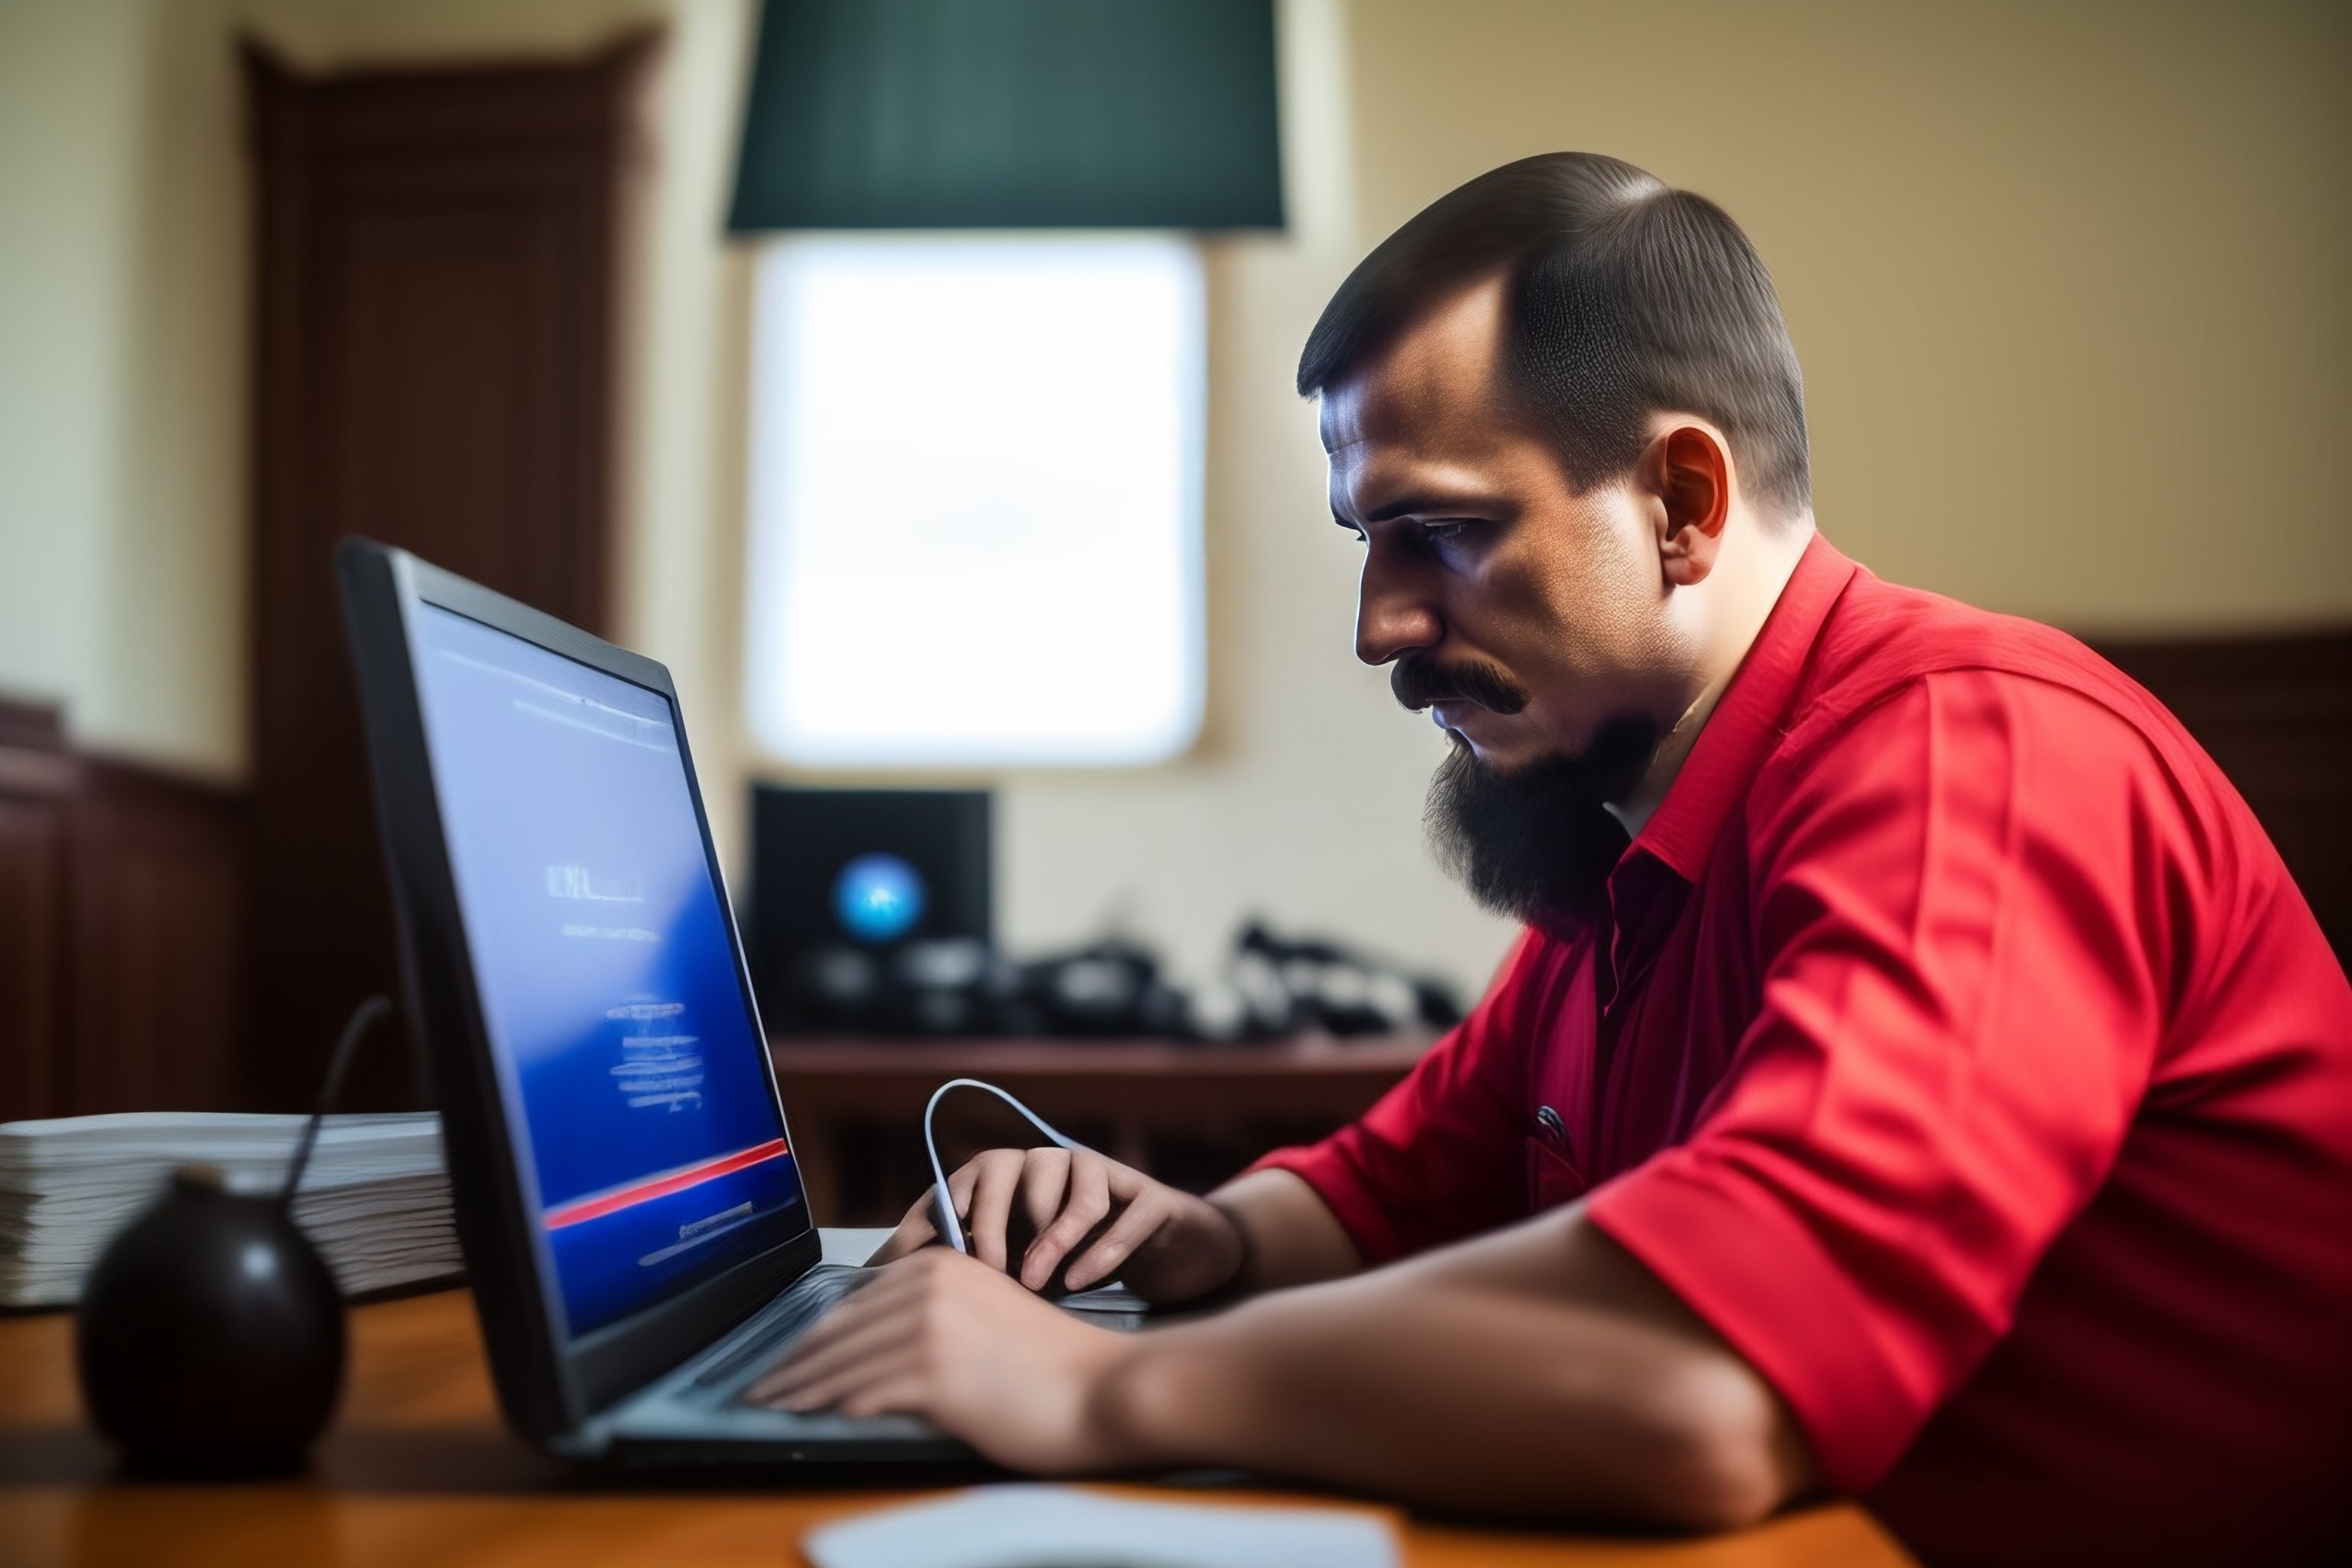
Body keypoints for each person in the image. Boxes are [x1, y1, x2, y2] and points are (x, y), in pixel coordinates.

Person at [751, 153, 2352, 1566]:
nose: (1379, 626)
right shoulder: (1632, 833)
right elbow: (1385, 1192)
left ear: (1680, 499)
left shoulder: (1973, 764)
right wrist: (1191, 1238)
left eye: (1441, 535)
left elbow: (1711, 1401)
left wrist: (1104, 1386)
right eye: (1366, 545)